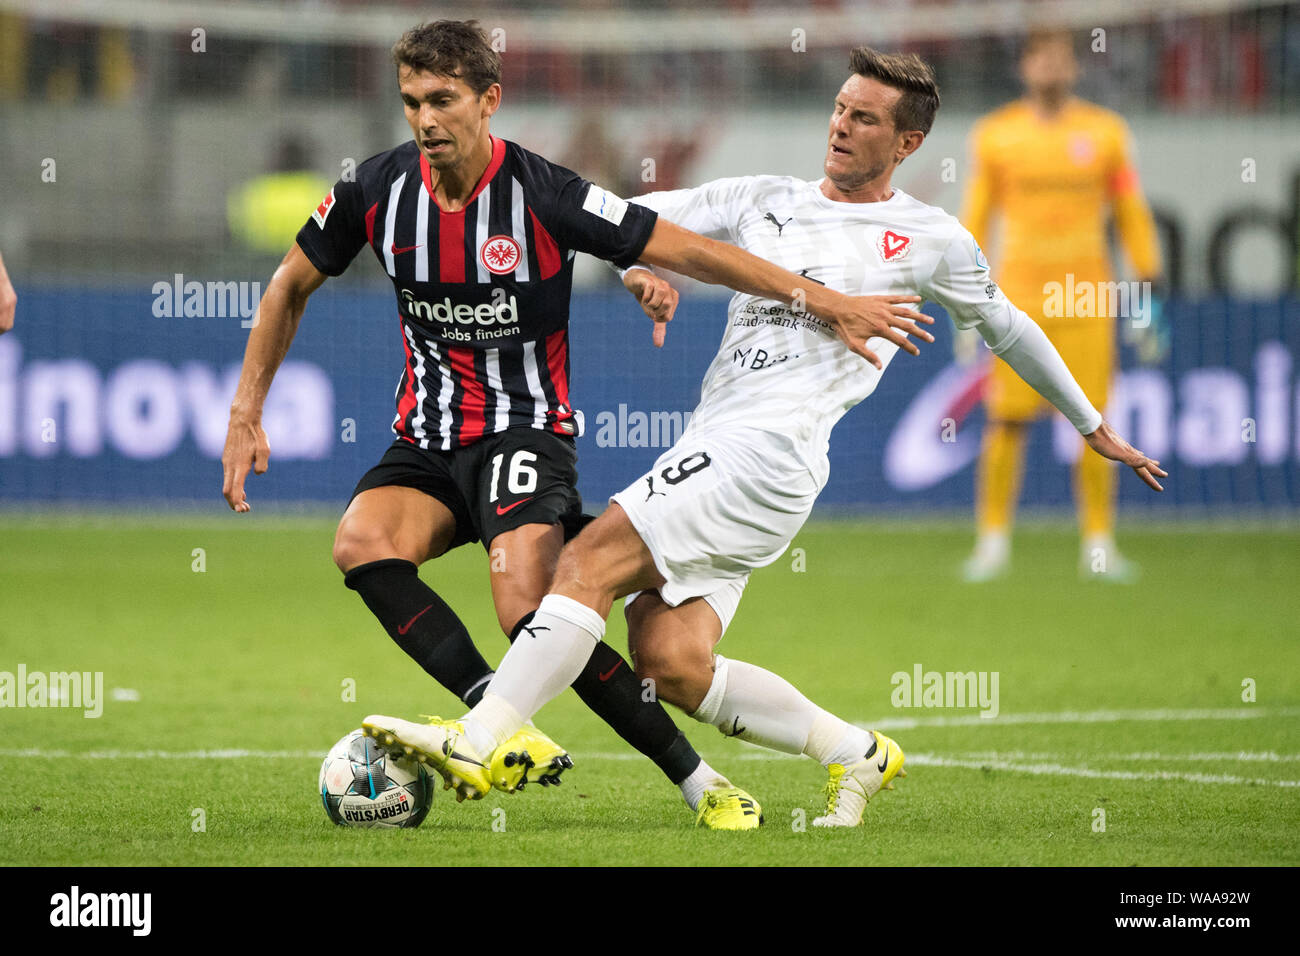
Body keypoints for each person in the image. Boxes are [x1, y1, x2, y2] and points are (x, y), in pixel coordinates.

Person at [361, 45, 1167, 829]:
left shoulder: (931, 239)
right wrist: (637, 268)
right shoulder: (761, 198)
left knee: (584, 564)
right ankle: (853, 751)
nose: (841, 126)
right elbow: (618, 220)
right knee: (670, 662)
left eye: (865, 118)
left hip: (768, 454)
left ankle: (478, 739)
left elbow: (1009, 327)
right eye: (840, 109)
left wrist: (1091, 424)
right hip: (725, 449)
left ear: (908, 143)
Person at [221, 21, 929, 829]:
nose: (425, 119)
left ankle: (701, 782)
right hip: (428, 434)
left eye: (443, 100)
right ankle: (498, 720)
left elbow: (687, 249)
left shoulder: (545, 193)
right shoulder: (376, 190)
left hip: (524, 434)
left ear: (489, 100)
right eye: (412, 101)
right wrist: (246, 411)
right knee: (361, 542)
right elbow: (287, 285)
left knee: (535, 607)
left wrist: (820, 298)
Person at [959, 29, 1164, 583]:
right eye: (1040, 57)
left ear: (1075, 67)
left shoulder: (1105, 132)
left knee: (1096, 422)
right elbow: (977, 214)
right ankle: (992, 543)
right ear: (1024, 67)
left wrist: (1149, 275)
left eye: (1060, 57)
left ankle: (1098, 546)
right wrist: (960, 286)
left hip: (1086, 297)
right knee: (1006, 421)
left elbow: (1130, 208)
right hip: (1018, 301)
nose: (1050, 67)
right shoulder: (996, 135)